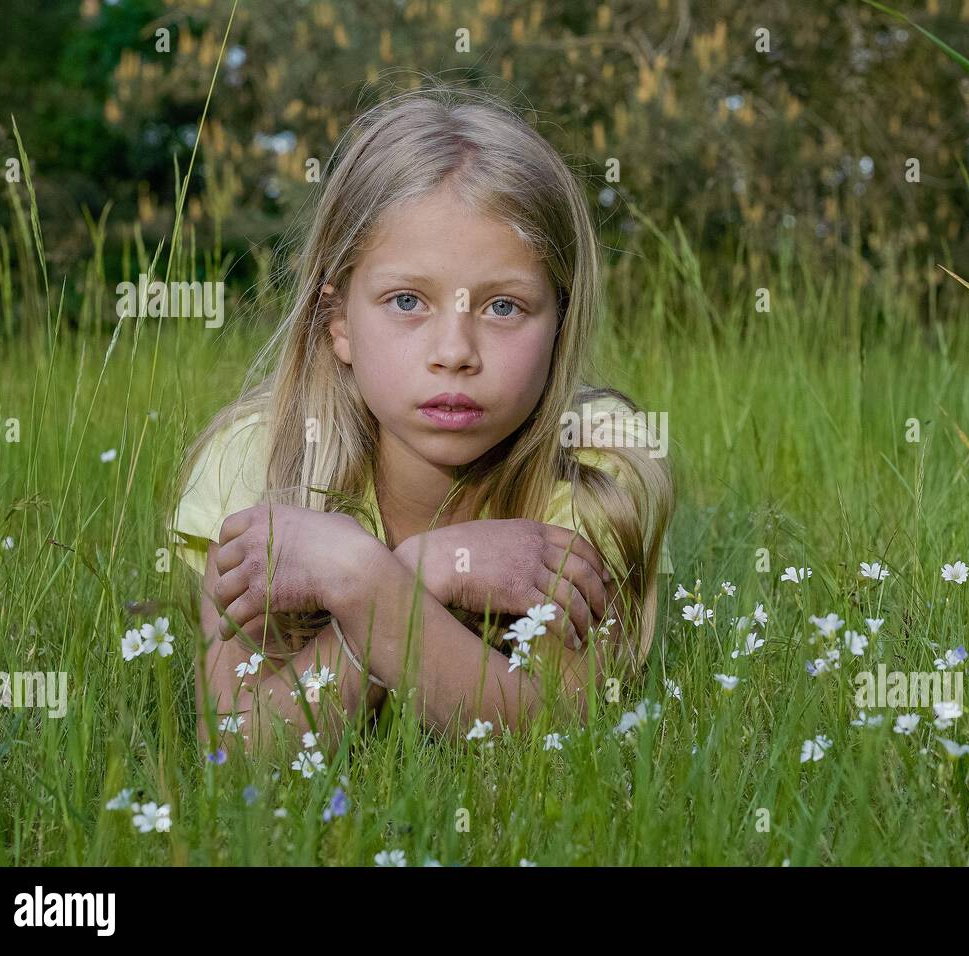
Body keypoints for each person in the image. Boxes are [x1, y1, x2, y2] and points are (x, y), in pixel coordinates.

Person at [169, 87, 673, 759]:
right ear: (339, 320)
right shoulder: (258, 460)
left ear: (560, 320)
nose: (455, 353)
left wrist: (382, 576)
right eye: (407, 300)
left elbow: (559, 733)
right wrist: (391, 577)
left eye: (503, 307)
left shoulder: (598, 467)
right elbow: (236, 748)